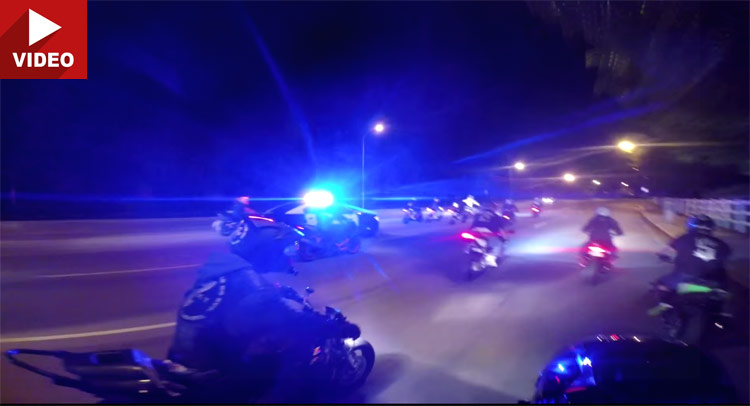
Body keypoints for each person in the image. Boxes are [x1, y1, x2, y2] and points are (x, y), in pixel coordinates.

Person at [167, 219, 359, 402]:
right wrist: (336, 329)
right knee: (293, 354)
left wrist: (279, 290)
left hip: (186, 357)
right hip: (215, 375)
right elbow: (294, 322)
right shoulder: (256, 291)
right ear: (266, 251)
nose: (288, 257)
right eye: (284, 250)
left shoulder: (221, 272)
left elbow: (241, 302)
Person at [649, 214, 731, 316]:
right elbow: (725, 256)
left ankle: (664, 306)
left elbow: (666, 253)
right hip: (713, 283)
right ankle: (718, 312)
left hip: (685, 279)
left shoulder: (683, 239)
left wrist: (663, 257)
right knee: (720, 292)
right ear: (711, 228)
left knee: (661, 283)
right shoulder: (722, 244)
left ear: (690, 226)